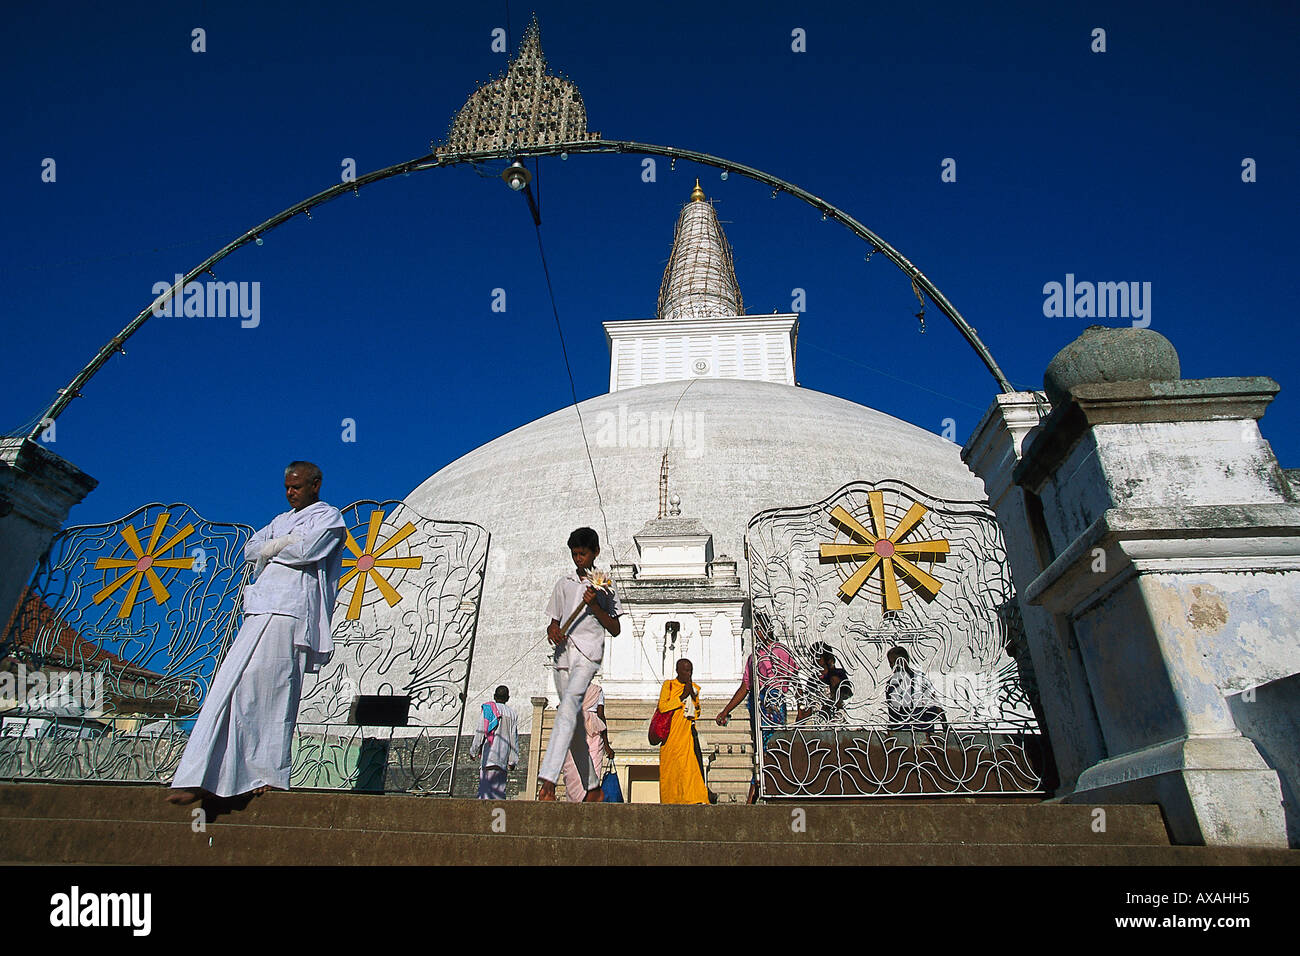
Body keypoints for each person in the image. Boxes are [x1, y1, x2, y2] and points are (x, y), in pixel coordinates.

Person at [168, 462, 345, 805]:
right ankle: (205, 775)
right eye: (287, 487)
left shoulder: (329, 518)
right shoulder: (281, 521)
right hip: (261, 608)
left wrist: (274, 547)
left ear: (315, 484)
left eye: (296, 486)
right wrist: (283, 543)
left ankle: (266, 774)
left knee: (274, 688)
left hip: (290, 610)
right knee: (232, 686)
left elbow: (308, 550)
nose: (290, 492)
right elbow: (252, 549)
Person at [536, 528, 621, 802]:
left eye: (583, 554)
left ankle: (547, 786)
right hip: (564, 658)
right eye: (574, 554)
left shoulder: (604, 586)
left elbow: (615, 627)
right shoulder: (564, 584)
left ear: (595, 552)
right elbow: (553, 622)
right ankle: (593, 789)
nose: (579, 559)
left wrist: (595, 605)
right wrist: (554, 631)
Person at [715, 611, 798, 803]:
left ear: (767, 629)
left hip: (773, 701)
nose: (757, 633)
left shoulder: (779, 651)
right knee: (759, 745)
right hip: (756, 702)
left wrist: (801, 702)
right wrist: (726, 710)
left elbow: (793, 676)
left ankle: (762, 788)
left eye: (760, 629)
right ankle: (758, 786)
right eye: (756, 629)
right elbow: (746, 685)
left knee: (772, 745)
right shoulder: (755, 656)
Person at [658, 658, 709, 805]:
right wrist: (681, 697)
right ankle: (671, 800)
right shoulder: (669, 685)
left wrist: (691, 696)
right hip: (670, 736)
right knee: (671, 770)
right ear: (677, 671)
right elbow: (662, 707)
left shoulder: (694, 688)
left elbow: (697, 714)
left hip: (686, 735)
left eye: (690, 670)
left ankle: (694, 799)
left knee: (689, 769)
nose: (688, 673)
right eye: (685, 670)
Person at [561, 679, 614, 802]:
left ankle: (576, 802)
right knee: (593, 770)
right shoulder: (597, 690)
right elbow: (601, 715)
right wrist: (607, 745)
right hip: (593, 731)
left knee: (574, 772)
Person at [885, 646, 948, 740]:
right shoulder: (892, 683)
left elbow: (935, 702)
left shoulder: (919, 678)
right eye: (890, 662)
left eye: (894, 662)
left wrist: (945, 727)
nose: (892, 665)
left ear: (905, 660)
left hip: (922, 731)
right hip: (904, 734)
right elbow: (893, 713)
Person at [469, 685, 519, 799]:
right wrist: (513, 760)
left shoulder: (488, 710)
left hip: (489, 756)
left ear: (494, 696)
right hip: (502, 758)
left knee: (485, 794)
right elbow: (513, 738)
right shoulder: (512, 714)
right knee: (499, 794)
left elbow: (480, 731)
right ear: (508, 698)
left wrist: (473, 751)